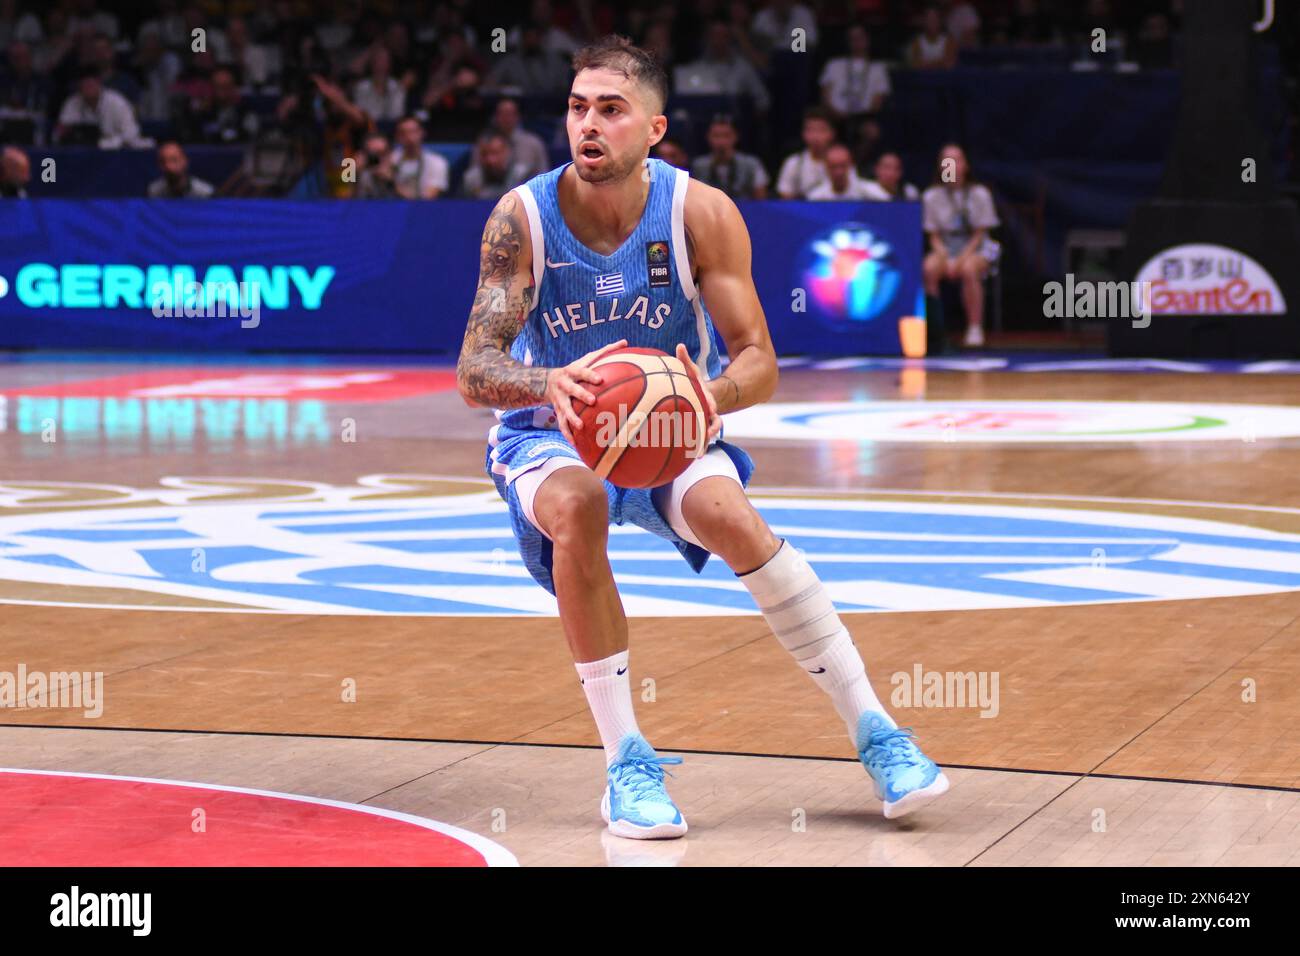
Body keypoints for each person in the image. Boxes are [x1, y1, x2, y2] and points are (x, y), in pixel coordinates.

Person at [455, 35, 949, 840]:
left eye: (611, 110)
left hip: (671, 430)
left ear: (654, 128)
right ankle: (627, 764)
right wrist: (550, 381)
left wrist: (706, 397)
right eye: (579, 107)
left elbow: (759, 359)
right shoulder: (524, 217)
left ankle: (880, 734)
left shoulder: (699, 212)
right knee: (578, 503)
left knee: (730, 515)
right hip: (550, 434)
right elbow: (475, 368)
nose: (589, 124)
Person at [922, 143, 999, 347]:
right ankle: (935, 330)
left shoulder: (979, 193)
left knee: (968, 269)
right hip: (945, 248)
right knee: (928, 268)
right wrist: (946, 258)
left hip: (977, 248)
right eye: (946, 161)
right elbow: (933, 236)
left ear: (965, 165)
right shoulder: (931, 196)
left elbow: (980, 233)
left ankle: (974, 327)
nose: (951, 166)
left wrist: (962, 258)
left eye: (956, 160)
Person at [689, 114, 768, 200]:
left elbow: (761, 199)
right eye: (716, 136)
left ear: (736, 137)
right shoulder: (699, 165)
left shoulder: (752, 163)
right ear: (708, 137)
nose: (721, 141)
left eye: (726, 135)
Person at [774, 106, 835, 199]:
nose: (816, 137)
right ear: (803, 134)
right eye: (810, 130)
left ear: (832, 133)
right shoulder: (793, 164)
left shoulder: (842, 163)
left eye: (821, 130)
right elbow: (785, 200)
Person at [392, 114, 448, 199]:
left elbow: (428, 198)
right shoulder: (390, 160)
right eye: (403, 133)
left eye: (413, 132)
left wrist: (391, 184)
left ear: (422, 133)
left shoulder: (437, 162)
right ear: (397, 137)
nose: (409, 137)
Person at [461, 129, 529, 199]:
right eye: (485, 154)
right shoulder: (471, 179)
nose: (490, 160)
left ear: (507, 152)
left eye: (495, 153)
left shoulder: (522, 177)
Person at [147, 140, 214, 198]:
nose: (169, 166)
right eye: (163, 162)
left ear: (185, 161)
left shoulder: (204, 193)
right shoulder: (154, 192)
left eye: (174, 160)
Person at [806, 143, 873, 200]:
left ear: (851, 165)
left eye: (843, 166)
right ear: (826, 167)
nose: (839, 172)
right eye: (833, 167)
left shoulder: (869, 194)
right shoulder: (816, 198)